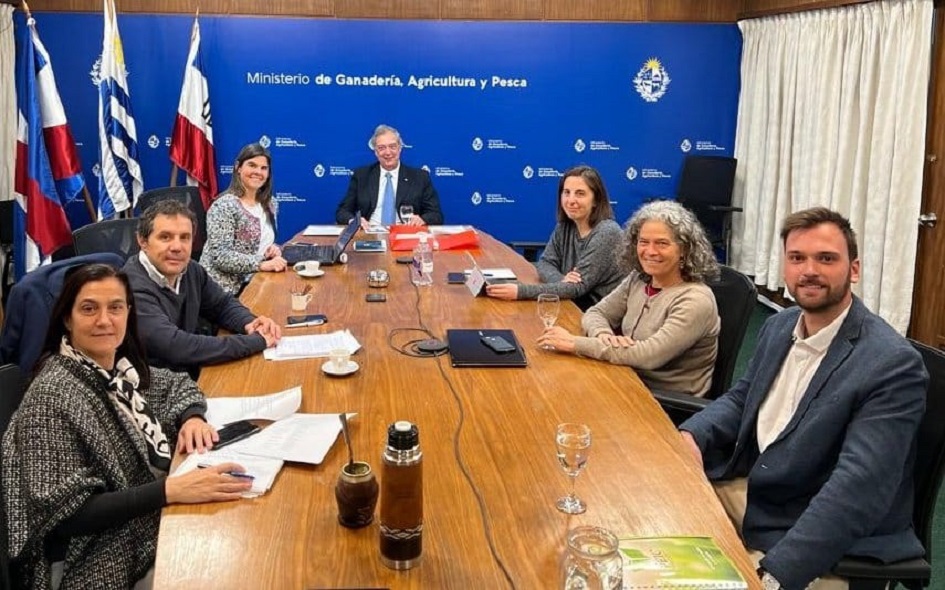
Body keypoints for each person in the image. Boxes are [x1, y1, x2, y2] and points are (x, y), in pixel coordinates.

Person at [679, 208, 927, 590]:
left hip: (817, 534)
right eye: (797, 258)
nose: (809, 270)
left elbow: (856, 490)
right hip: (759, 491)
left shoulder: (891, 364)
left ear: (854, 269)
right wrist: (692, 436)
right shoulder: (780, 325)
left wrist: (777, 574)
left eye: (826, 258)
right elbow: (744, 397)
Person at [2, 264, 252, 589]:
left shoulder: (115, 369)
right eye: (89, 308)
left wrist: (191, 416)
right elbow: (66, 514)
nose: (105, 320)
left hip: (144, 516)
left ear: (128, 313)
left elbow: (174, 383)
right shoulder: (52, 395)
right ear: (67, 318)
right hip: (91, 557)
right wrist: (171, 491)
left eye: (115, 308)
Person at [538, 200, 720, 396]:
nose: (650, 251)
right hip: (622, 376)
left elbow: (648, 356)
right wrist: (603, 335)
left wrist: (575, 343)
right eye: (643, 242)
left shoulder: (696, 300)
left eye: (662, 243)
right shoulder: (638, 279)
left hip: (662, 401)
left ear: (684, 249)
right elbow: (596, 312)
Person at [124, 199, 281, 378]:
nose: (177, 247)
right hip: (154, 389)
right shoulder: (130, 287)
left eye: (184, 237)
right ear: (143, 241)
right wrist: (256, 341)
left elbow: (222, 305)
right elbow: (176, 347)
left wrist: (250, 323)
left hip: (190, 374)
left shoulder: (191, 269)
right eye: (165, 237)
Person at [485, 165, 625, 310]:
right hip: (572, 301)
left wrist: (519, 291)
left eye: (580, 193)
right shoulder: (565, 226)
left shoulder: (607, 233)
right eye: (566, 192)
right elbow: (545, 263)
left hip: (598, 313)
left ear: (596, 200)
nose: (571, 200)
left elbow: (577, 288)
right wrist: (561, 280)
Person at [200, 143, 287, 294]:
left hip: (256, 282)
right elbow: (221, 256)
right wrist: (261, 264)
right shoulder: (224, 205)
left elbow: (255, 244)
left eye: (263, 168)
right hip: (223, 292)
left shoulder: (271, 203)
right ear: (238, 167)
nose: (258, 172)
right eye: (252, 165)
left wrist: (270, 250)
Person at [335, 124, 443, 229]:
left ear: (400, 148)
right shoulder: (361, 175)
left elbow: (436, 214)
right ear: (376, 152)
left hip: (404, 234)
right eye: (381, 148)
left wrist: (422, 219)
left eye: (392, 146)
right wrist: (354, 221)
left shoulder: (420, 177)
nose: (388, 152)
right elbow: (342, 211)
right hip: (369, 233)